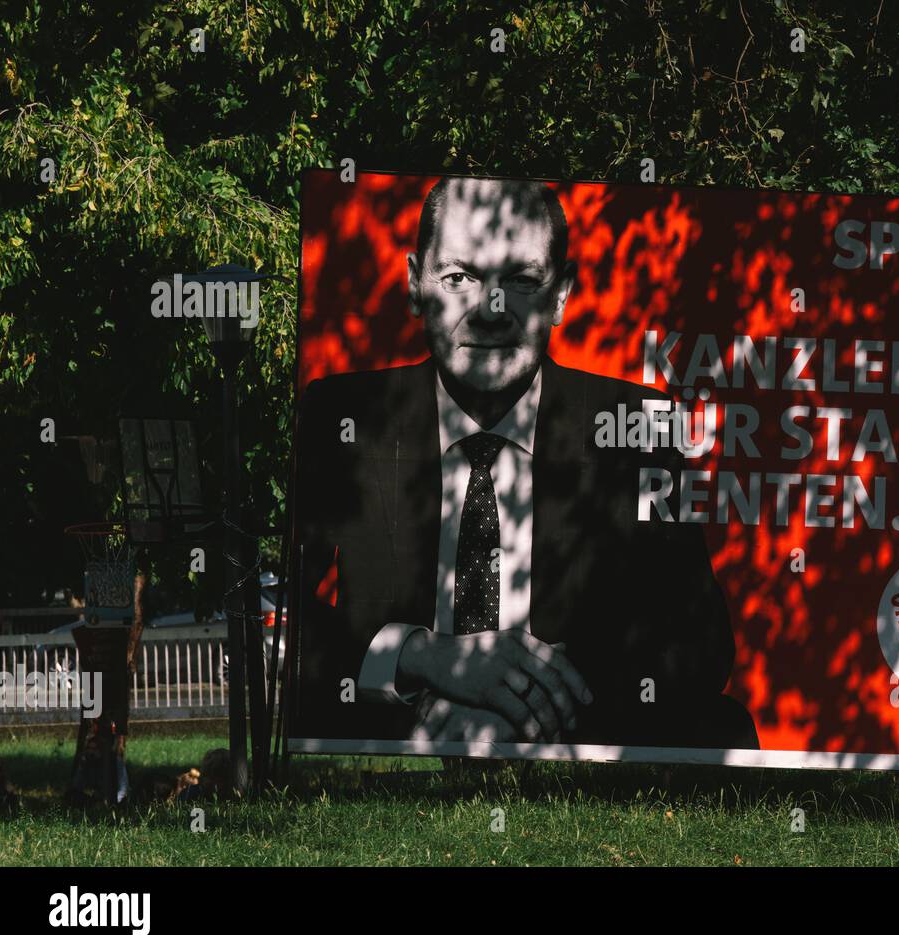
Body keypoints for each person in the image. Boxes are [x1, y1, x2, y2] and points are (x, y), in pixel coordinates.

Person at [293, 176, 757, 751]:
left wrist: (523, 702)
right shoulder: (345, 417)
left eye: (520, 281)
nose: (490, 311)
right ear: (415, 283)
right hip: (394, 739)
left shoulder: (639, 423)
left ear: (562, 294)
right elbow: (287, 618)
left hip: (578, 743)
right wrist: (423, 659)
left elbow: (699, 643)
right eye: (459, 278)